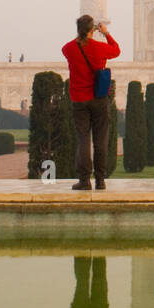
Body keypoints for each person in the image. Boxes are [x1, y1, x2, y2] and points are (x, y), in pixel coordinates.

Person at [60, 15, 120, 190]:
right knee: (100, 141)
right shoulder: (99, 48)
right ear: (92, 30)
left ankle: (84, 180)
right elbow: (116, 50)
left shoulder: (69, 48)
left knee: (83, 139)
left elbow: (66, 48)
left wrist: (82, 35)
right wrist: (106, 33)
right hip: (99, 99)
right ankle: (100, 180)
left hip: (79, 100)